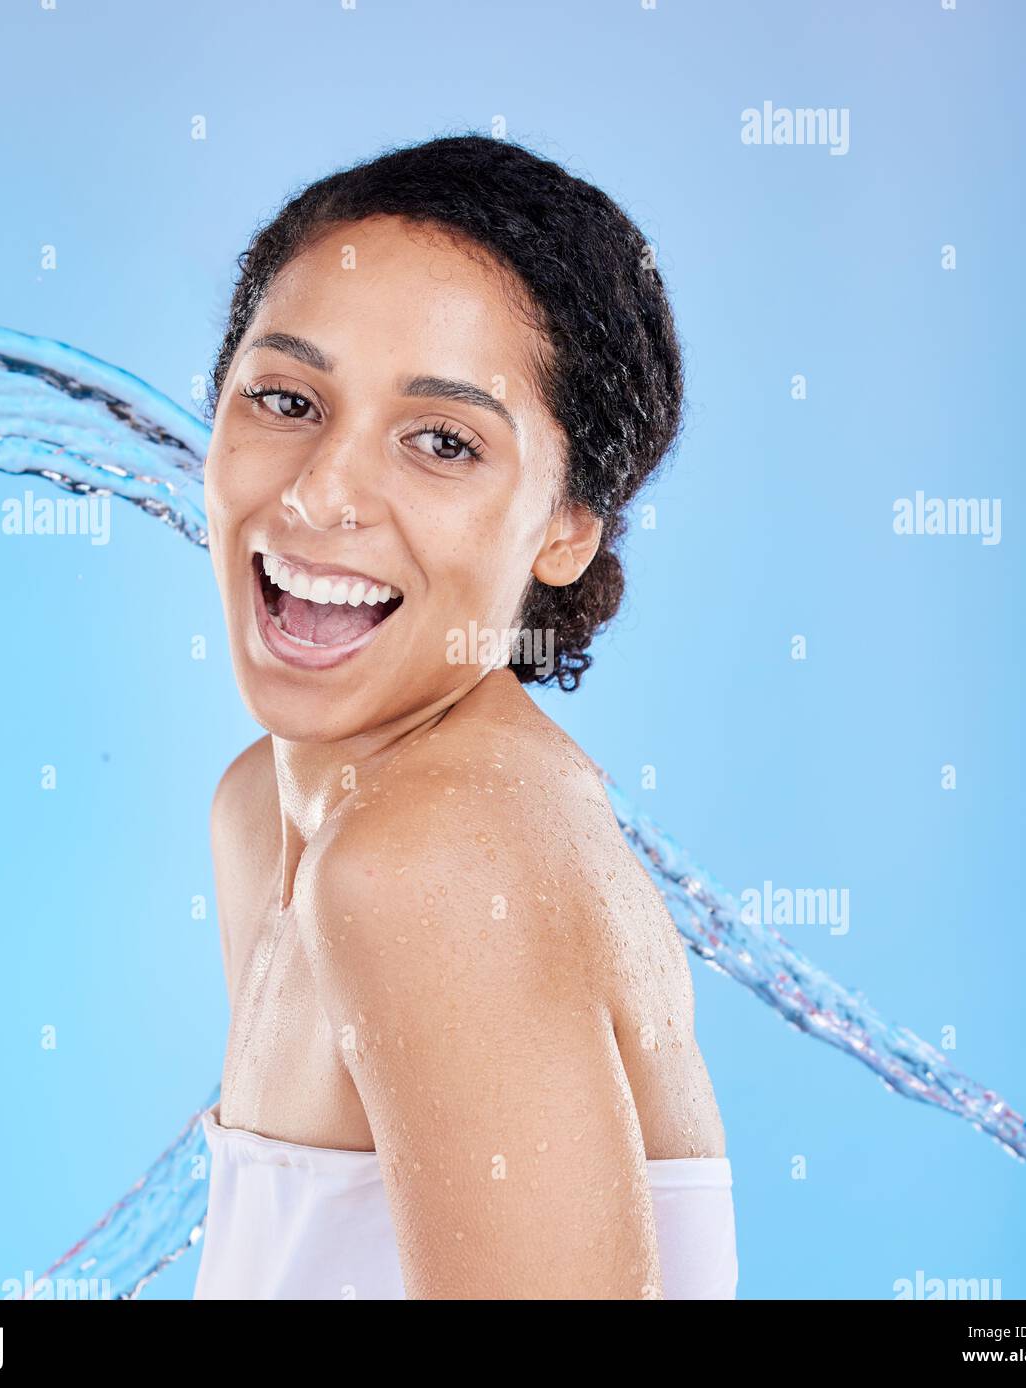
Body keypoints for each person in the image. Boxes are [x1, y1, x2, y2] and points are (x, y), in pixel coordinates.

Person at [193, 134, 736, 1300]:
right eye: (286, 399)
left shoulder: (427, 858)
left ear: (566, 526)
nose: (318, 491)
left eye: (442, 441)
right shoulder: (263, 812)